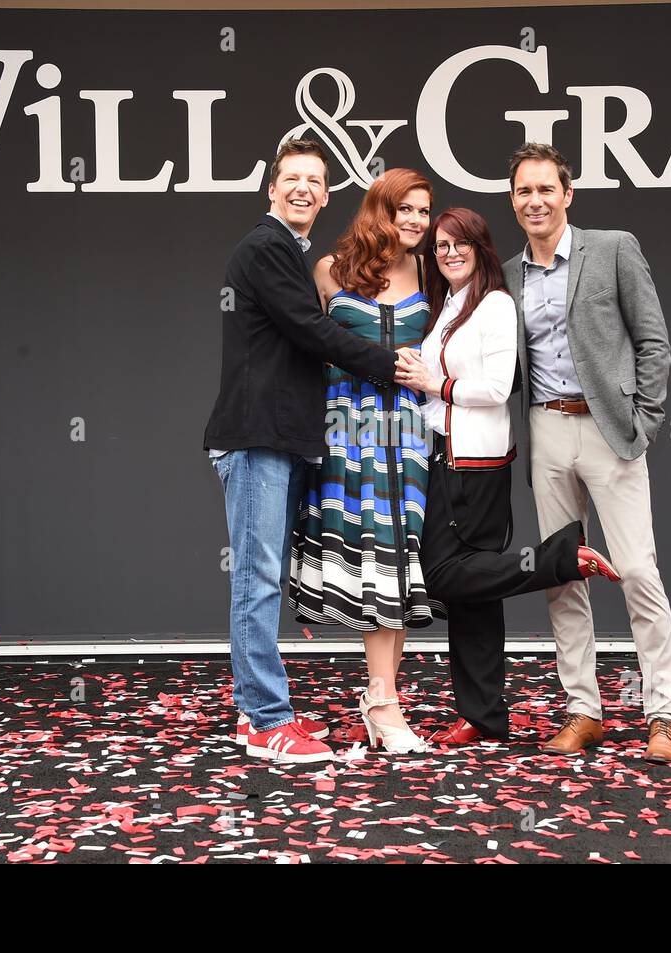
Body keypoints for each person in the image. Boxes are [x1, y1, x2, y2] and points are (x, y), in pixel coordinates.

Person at [203, 139, 402, 764]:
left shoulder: (287, 252)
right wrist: (389, 363)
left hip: (280, 439)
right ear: (271, 188)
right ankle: (264, 721)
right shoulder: (266, 248)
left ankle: (258, 712)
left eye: (315, 181)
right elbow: (310, 330)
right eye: (292, 178)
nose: (303, 189)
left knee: (263, 578)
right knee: (257, 580)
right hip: (256, 437)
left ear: (326, 192)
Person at [393, 207, 619, 744]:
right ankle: (483, 715)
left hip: (478, 463)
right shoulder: (447, 304)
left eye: (460, 243)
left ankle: (563, 557)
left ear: (481, 248)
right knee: (472, 592)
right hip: (442, 456)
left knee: (448, 576)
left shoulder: (494, 304)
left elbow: (498, 387)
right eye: (441, 245)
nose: (448, 252)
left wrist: (433, 381)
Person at [502, 142, 671, 762]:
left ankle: (663, 715)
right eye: (524, 191)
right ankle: (584, 712)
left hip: (610, 431)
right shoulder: (507, 275)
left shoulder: (612, 249)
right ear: (513, 200)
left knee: (636, 570)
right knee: (562, 577)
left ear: (567, 194)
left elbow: (654, 341)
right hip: (545, 432)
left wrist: (644, 422)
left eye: (545, 189)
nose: (535, 201)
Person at [289, 169, 436, 754]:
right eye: (406, 209)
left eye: (425, 211)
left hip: (408, 435)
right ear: (379, 208)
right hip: (347, 434)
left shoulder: (429, 272)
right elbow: (302, 349)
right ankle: (383, 705)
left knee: (398, 567)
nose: (417, 222)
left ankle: (382, 701)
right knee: (375, 561)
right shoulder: (330, 270)